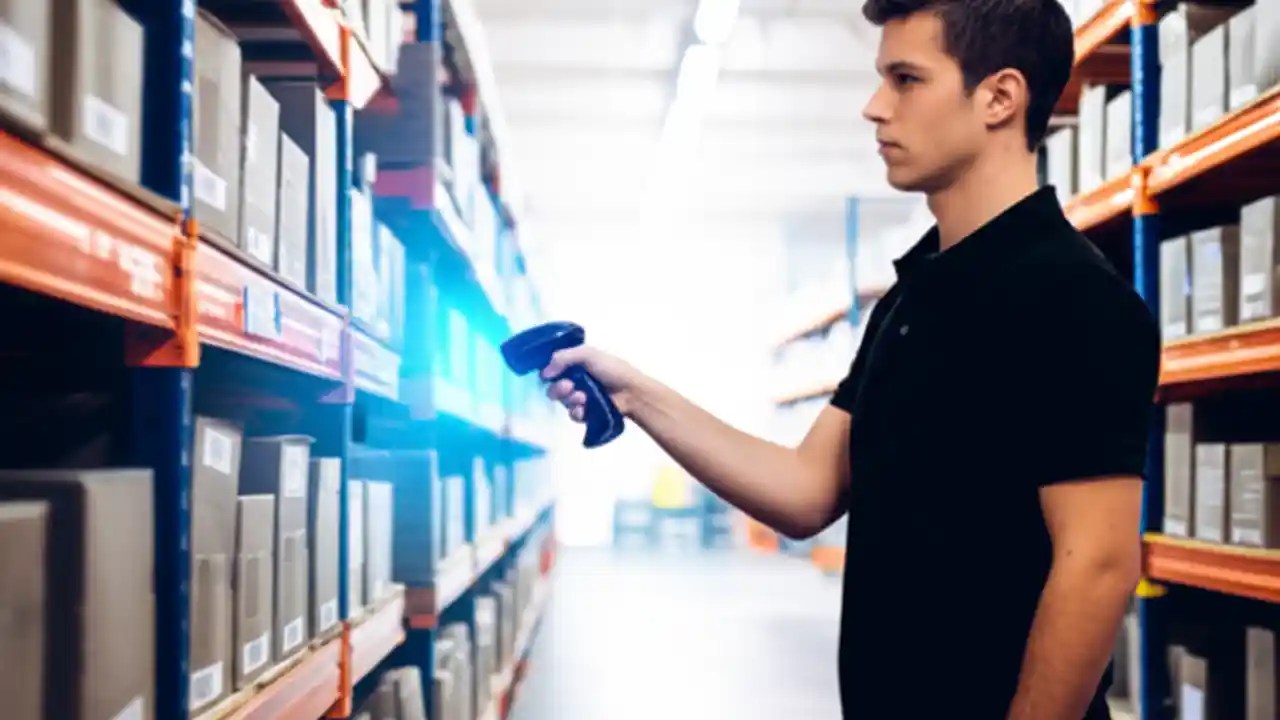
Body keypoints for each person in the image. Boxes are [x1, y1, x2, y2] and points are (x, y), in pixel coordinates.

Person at [540, 0, 1160, 717]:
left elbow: (1099, 567)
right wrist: (636, 392)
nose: (874, 108)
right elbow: (806, 490)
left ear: (999, 97)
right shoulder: (911, 301)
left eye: (905, 80)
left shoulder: (1074, 299)